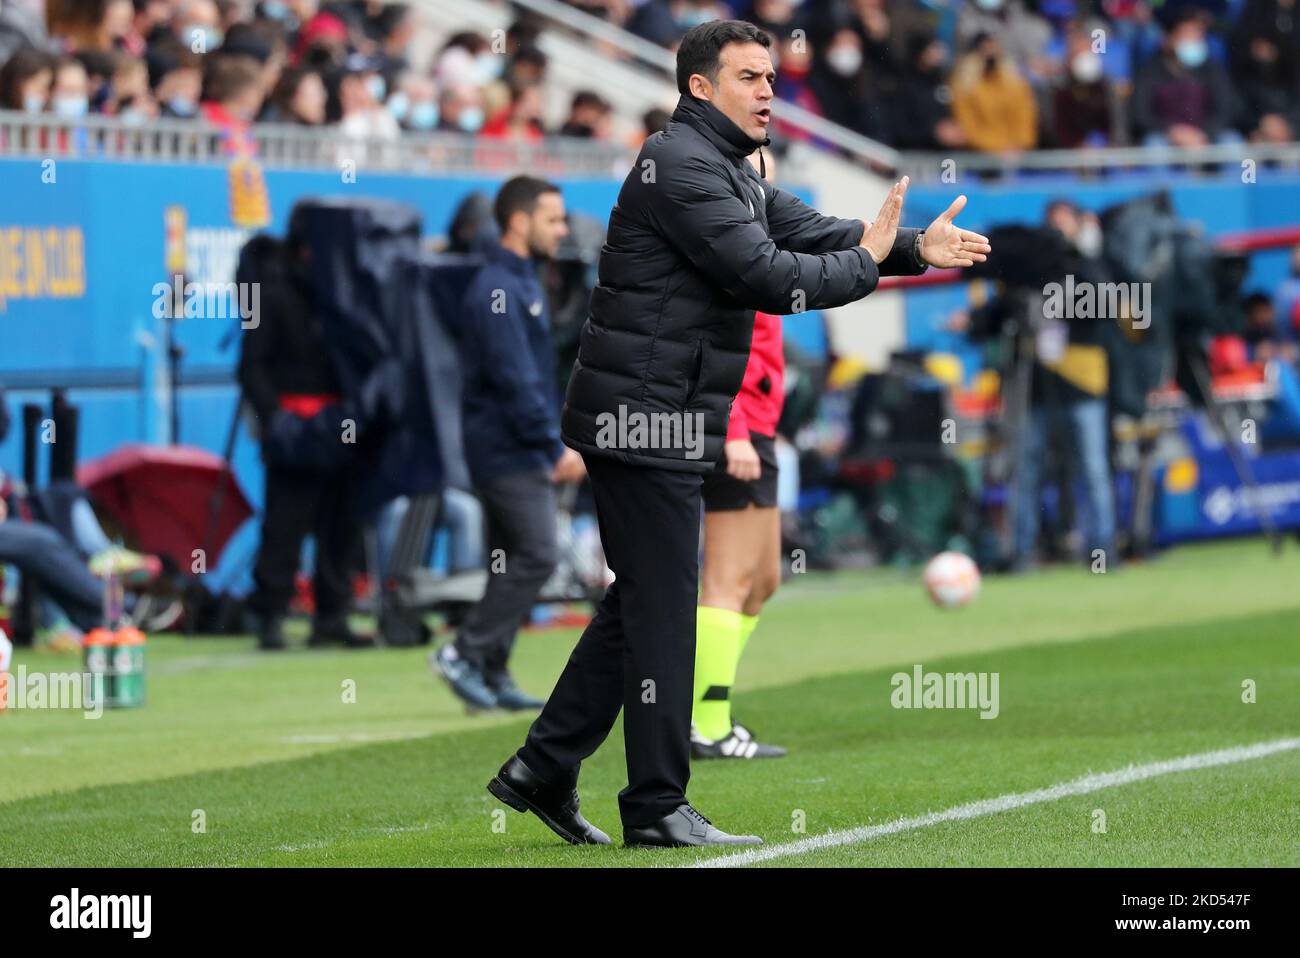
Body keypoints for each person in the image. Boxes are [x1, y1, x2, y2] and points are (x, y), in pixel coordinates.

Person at [486, 19, 990, 849]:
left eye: (771, 76)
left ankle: (542, 768)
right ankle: (654, 806)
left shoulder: (723, 165)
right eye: (751, 77)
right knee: (663, 608)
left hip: (662, 413)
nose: (769, 90)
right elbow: (766, 275)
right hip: (641, 417)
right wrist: (869, 265)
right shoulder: (683, 167)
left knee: (641, 602)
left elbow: (811, 232)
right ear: (700, 87)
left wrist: (910, 249)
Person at [433, 176, 585, 711]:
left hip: (506, 443)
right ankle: (463, 652)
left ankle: (492, 671)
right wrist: (552, 448)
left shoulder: (520, 281)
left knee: (509, 557)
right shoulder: (500, 288)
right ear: (519, 222)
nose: (563, 231)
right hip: (507, 448)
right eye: (553, 219)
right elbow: (514, 379)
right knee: (539, 553)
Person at [237, 223, 368, 652]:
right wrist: (276, 419)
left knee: (340, 523)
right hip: (294, 427)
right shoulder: (273, 295)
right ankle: (270, 614)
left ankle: (331, 616)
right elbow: (252, 364)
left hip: (339, 425)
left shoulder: (348, 299)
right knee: (284, 524)